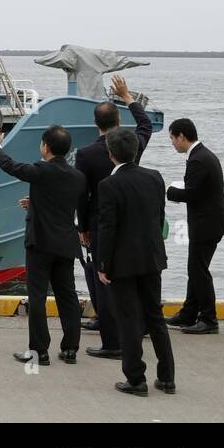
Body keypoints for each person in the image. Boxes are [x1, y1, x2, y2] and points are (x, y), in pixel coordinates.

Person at [0, 122, 85, 366]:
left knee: (38, 296)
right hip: (65, 243)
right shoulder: (78, 177)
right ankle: (71, 348)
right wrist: (35, 203)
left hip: (40, 243)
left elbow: (10, 166)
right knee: (68, 296)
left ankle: (39, 351)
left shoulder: (41, 170)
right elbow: (62, 203)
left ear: (46, 147)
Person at [75, 75, 152, 359]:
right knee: (131, 276)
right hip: (134, 222)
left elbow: (82, 195)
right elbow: (145, 125)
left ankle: (111, 339)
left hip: (98, 223)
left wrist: (82, 226)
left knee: (103, 279)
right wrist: (128, 96)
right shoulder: (133, 144)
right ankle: (138, 324)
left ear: (96, 124)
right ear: (118, 120)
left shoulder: (85, 154)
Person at [97, 127, 175, 395]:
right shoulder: (155, 177)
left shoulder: (108, 185)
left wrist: (102, 264)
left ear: (111, 154)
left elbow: (108, 228)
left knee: (129, 320)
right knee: (155, 317)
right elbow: (159, 217)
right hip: (152, 257)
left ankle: (136, 378)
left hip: (123, 262)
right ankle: (166, 377)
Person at [165, 118, 224, 334]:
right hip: (210, 222)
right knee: (195, 269)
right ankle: (188, 313)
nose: (172, 143)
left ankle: (209, 319)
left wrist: (169, 191)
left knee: (198, 271)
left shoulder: (198, 160)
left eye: (172, 138)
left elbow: (193, 194)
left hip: (207, 225)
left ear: (182, 136)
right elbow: (200, 189)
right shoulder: (203, 155)